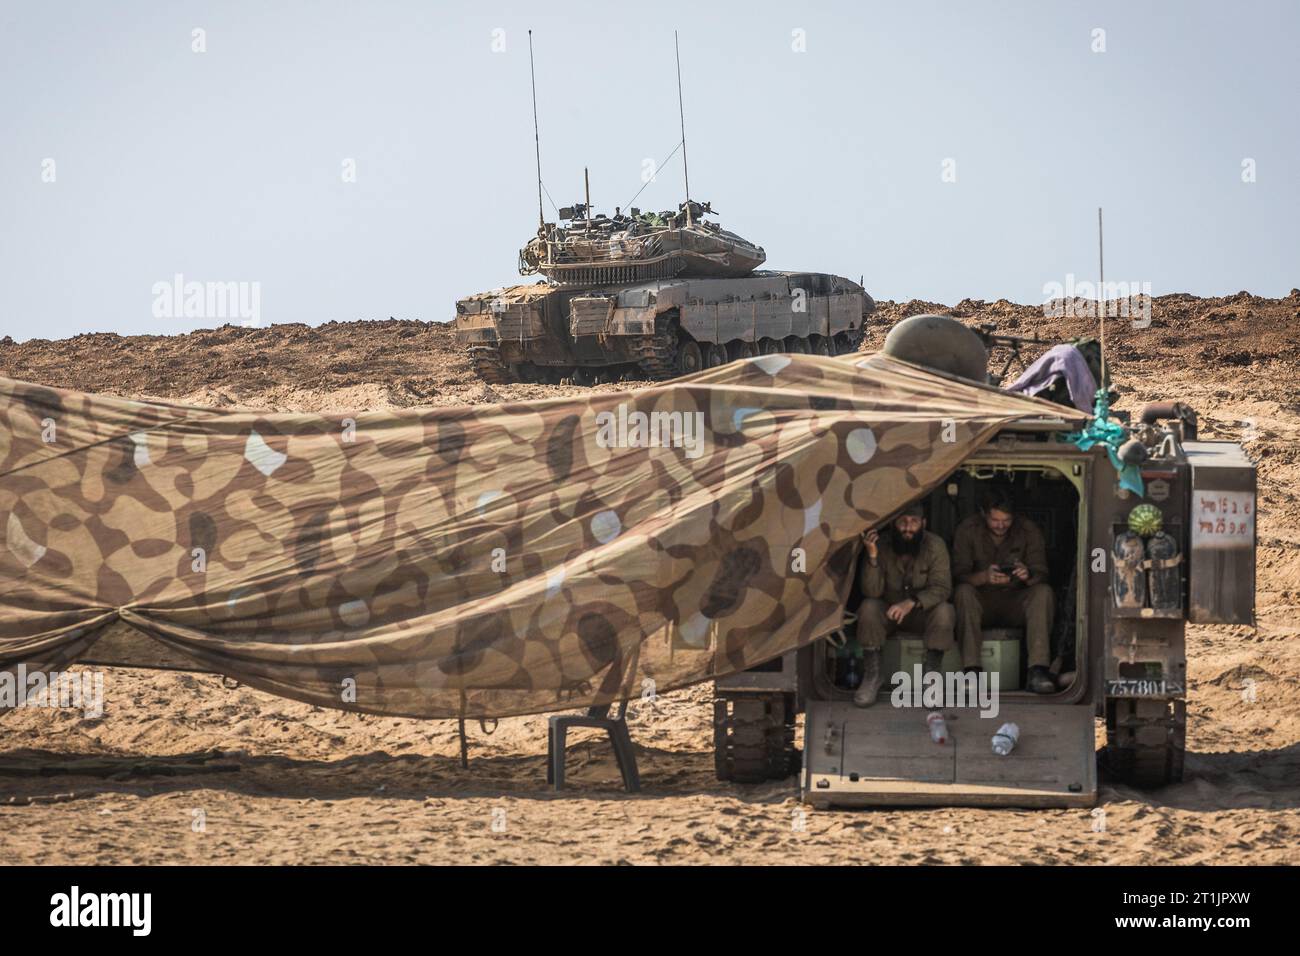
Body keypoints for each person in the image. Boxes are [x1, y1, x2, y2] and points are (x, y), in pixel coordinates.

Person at [952, 487, 1056, 694]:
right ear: (983, 514)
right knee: (963, 592)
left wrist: (1028, 575)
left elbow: (1042, 572)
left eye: (1006, 520)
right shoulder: (968, 530)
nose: (1001, 526)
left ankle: (1038, 670)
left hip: (1015, 601)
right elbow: (957, 575)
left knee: (1043, 592)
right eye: (995, 520)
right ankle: (971, 672)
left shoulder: (1028, 530)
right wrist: (983, 577)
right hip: (981, 601)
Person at [853, 502, 955, 707]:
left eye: (914, 522)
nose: (908, 528)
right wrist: (872, 556)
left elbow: (942, 588)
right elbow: (871, 591)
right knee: (868, 607)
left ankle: (931, 678)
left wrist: (912, 603)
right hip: (889, 614)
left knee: (945, 611)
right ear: (893, 524)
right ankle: (873, 676)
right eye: (903, 522)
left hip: (921, 614)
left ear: (923, 524)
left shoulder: (935, 545)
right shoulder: (881, 545)